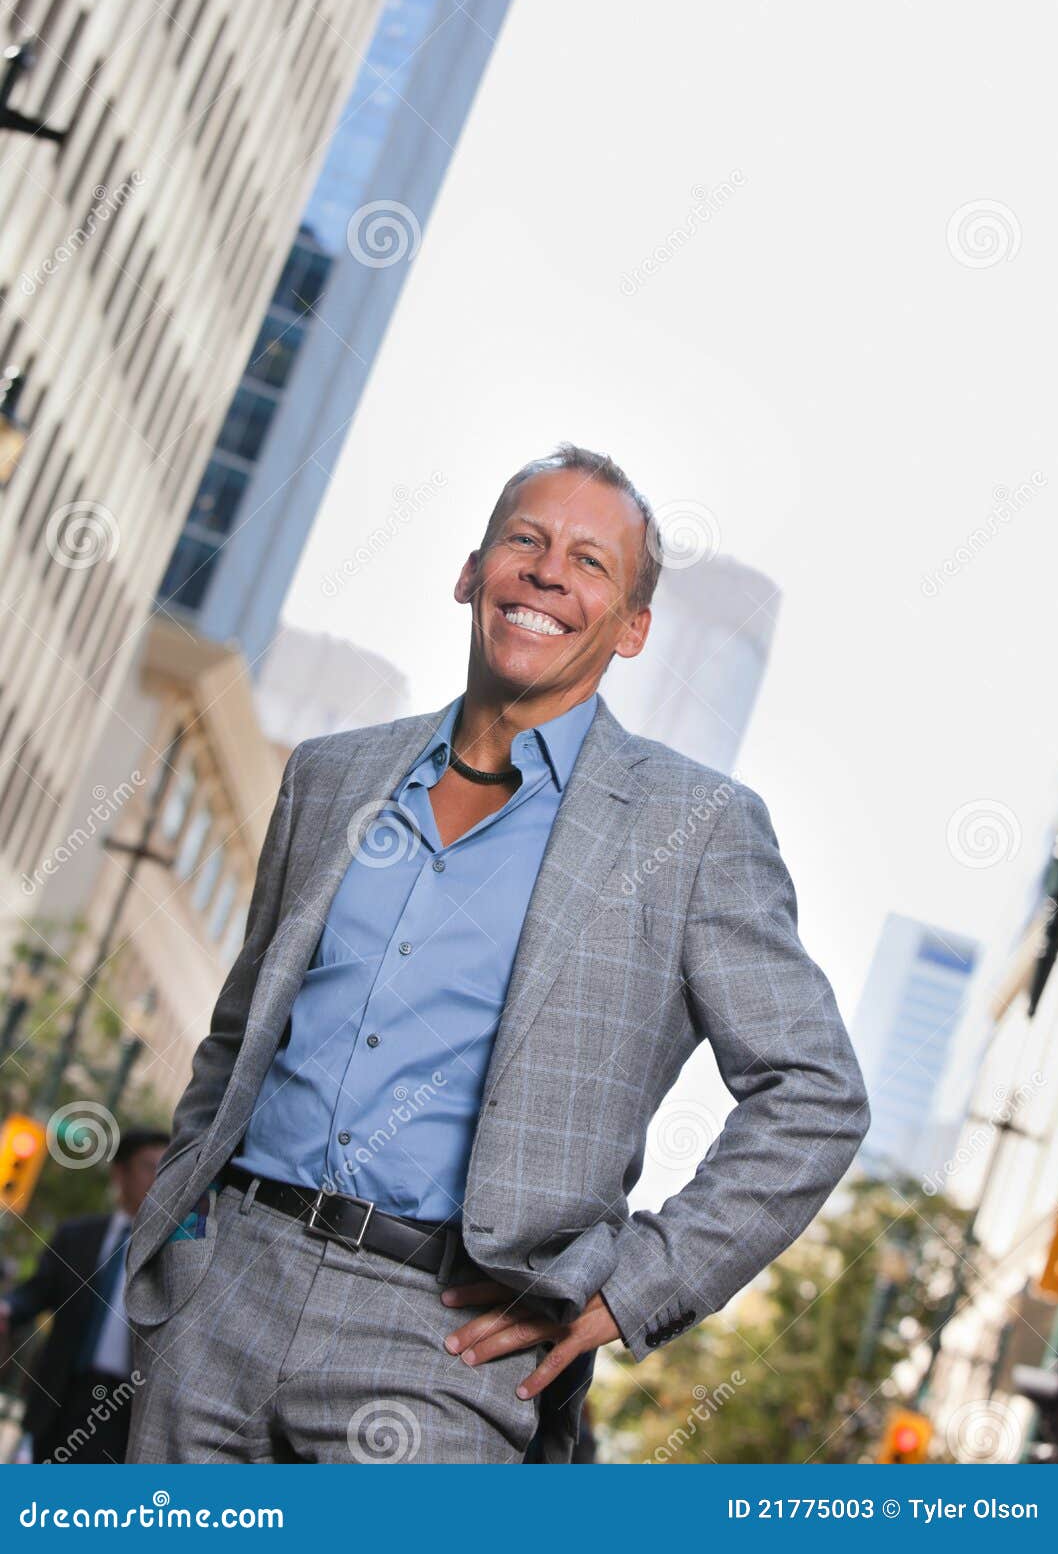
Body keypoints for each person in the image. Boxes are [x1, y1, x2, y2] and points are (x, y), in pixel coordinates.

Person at [124, 444, 870, 1464]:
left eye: (589, 561)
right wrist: (182, 1234)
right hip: (220, 1301)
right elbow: (238, 1033)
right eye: (524, 540)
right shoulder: (333, 777)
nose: (547, 571)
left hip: (444, 1340)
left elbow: (815, 1093)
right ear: (472, 572)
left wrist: (629, 1288)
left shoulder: (692, 829)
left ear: (633, 626)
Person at [1, 1126, 168, 1463]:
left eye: (166, 1171)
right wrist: (5, 1308)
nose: (158, 1180)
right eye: (150, 1167)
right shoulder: (77, 1236)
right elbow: (34, 1294)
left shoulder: (173, 1253)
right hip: (62, 1394)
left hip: (126, 1407)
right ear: (120, 1173)